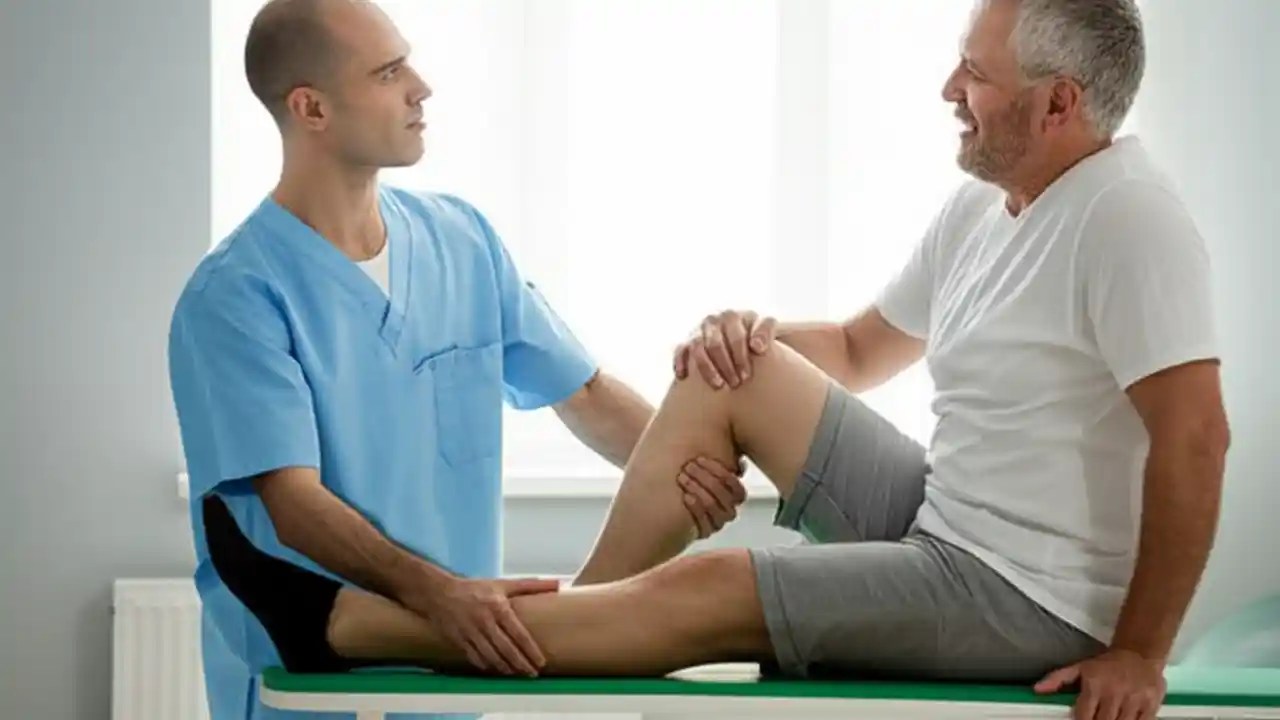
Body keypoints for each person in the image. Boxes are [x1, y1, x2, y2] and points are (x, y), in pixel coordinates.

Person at [192, 1, 1234, 720]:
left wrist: (1139, 650)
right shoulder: (982, 207)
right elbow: (861, 350)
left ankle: (363, 629)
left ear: (1058, 104)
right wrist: (745, 337)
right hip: (947, 515)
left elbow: (1194, 437)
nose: (947, 86)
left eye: (978, 73)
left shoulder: (1127, 220)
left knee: (720, 585)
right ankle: (558, 643)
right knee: (722, 370)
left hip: (1027, 590)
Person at [166, 1, 744, 718]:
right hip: (310, 689)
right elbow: (296, 508)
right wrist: (441, 596)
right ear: (311, 107)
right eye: (388, 71)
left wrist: (688, 467)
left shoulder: (461, 241)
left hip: (455, 673)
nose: (421, 86)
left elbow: (586, 394)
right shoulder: (235, 297)